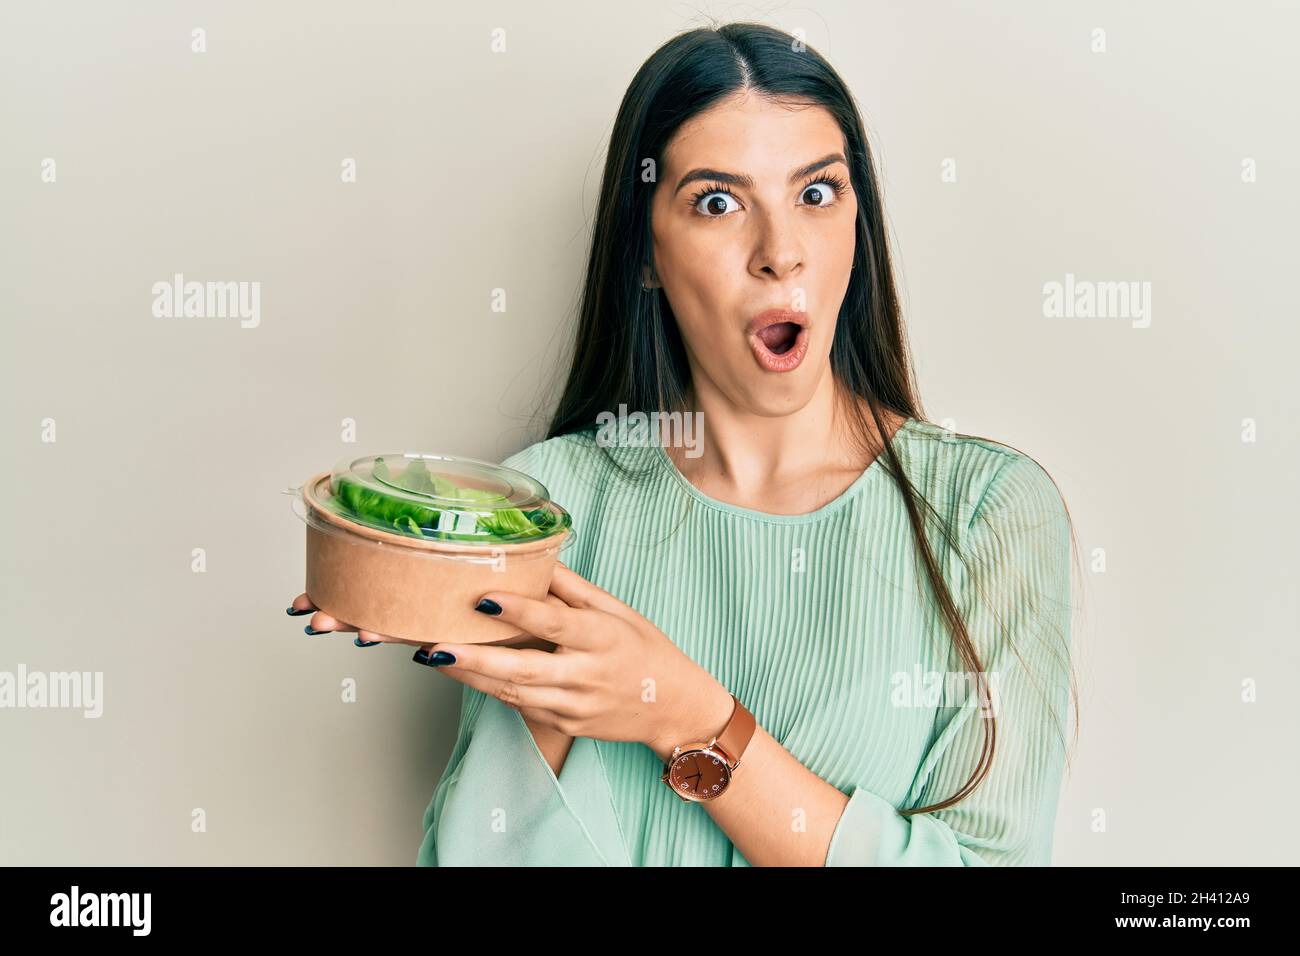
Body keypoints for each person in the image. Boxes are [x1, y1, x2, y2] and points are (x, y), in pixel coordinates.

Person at [287, 21, 1078, 866]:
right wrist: (543, 695)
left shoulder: (985, 515)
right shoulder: (553, 507)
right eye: (717, 202)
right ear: (646, 256)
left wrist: (688, 719)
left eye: (817, 193)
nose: (781, 253)